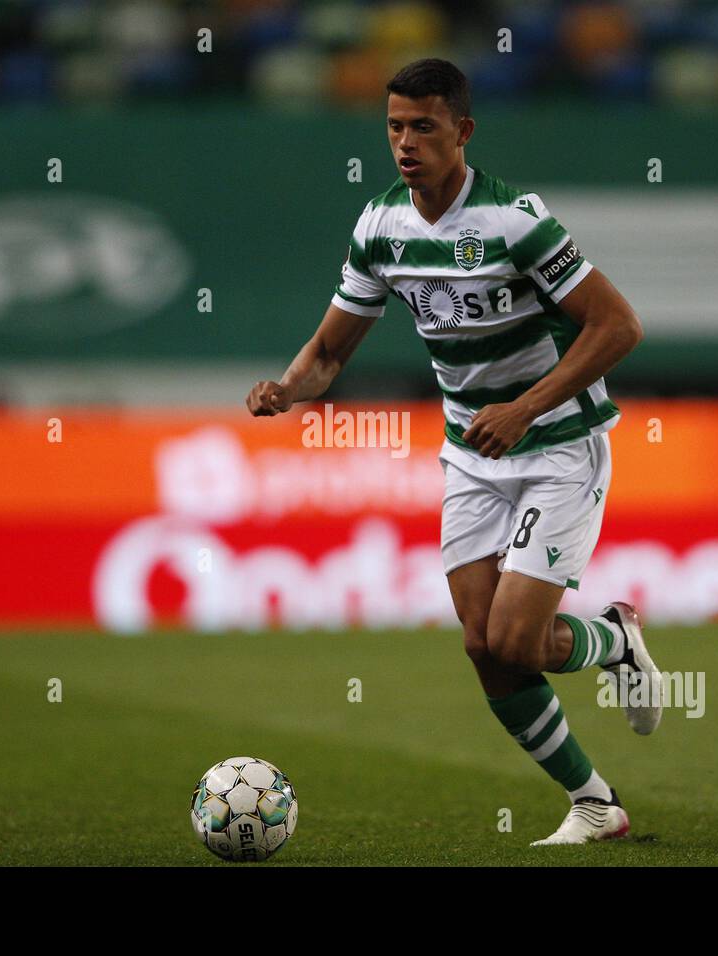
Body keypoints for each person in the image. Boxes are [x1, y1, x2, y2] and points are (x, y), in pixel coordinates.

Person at [246, 58, 661, 845]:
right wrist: (289, 388)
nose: (406, 142)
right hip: (472, 453)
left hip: (560, 443)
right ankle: (595, 805)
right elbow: (330, 354)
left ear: (462, 132)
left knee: (516, 638)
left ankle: (615, 636)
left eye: (424, 127)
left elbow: (619, 327)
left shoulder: (515, 221)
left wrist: (526, 407)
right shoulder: (380, 227)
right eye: (395, 127)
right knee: (484, 646)